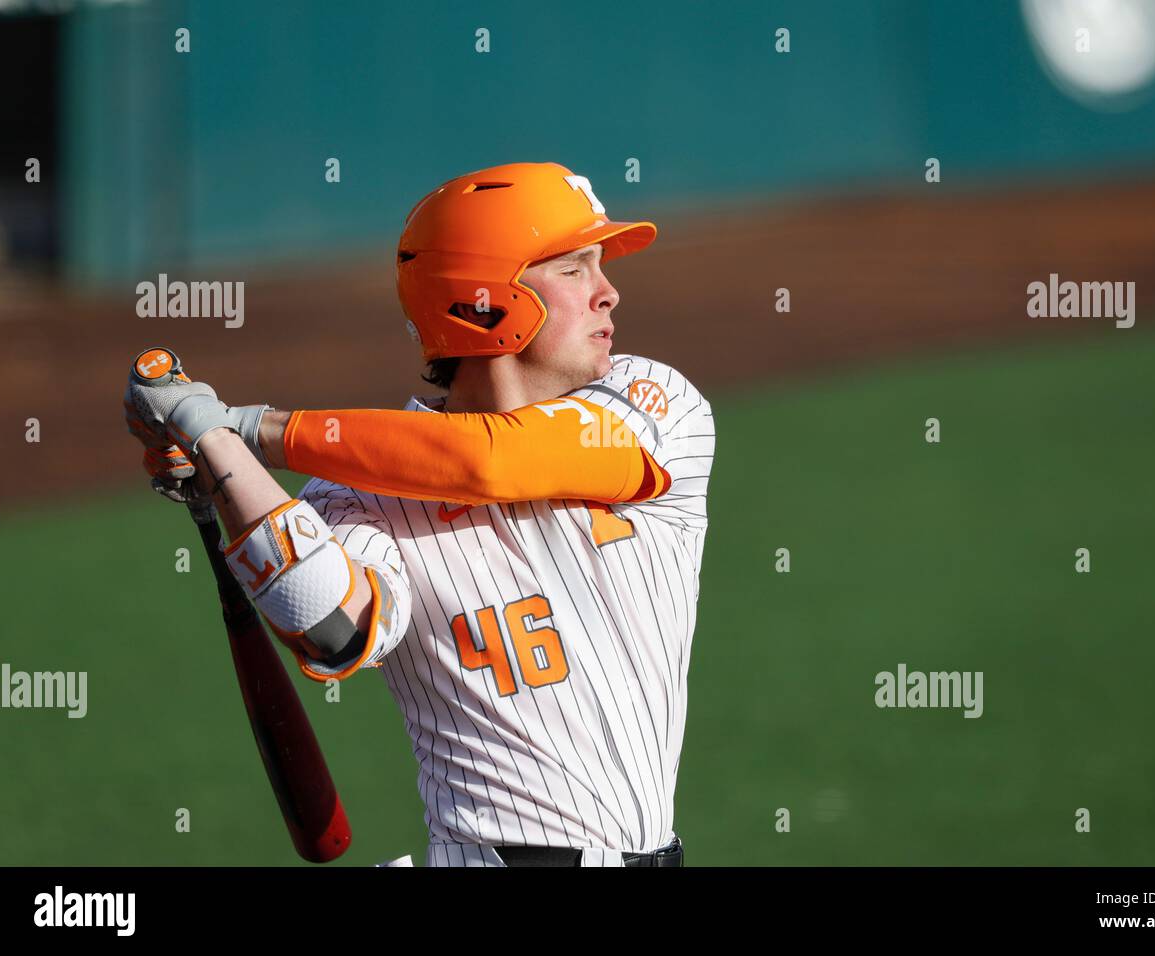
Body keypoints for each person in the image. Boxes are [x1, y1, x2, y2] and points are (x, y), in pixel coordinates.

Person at [124, 162, 715, 867]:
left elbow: (489, 463)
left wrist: (248, 429)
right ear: (486, 301)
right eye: (573, 268)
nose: (608, 293)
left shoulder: (657, 404)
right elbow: (332, 630)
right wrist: (218, 451)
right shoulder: (357, 498)